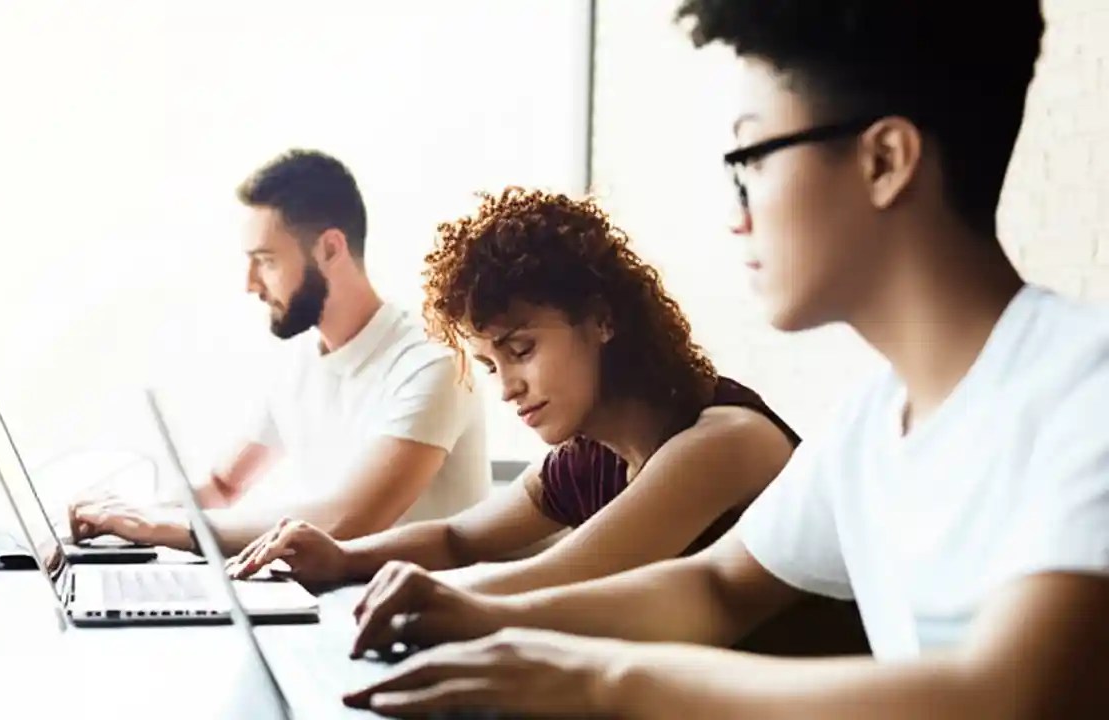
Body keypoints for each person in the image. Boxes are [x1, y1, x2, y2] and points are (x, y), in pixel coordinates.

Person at [341, 2, 1109, 718]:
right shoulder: (872, 427)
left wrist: (597, 675)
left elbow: (1002, 695)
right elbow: (715, 585)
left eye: (751, 160)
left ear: (884, 160)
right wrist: (485, 615)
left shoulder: (1086, 389)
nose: (736, 217)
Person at [228, 187, 864, 654]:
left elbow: (566, 574)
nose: (507, 387)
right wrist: (341, 558)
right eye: (488, 362)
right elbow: (459, 538)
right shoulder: (591, 455)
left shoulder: (724, 440)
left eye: (522, 349)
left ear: (602, 319)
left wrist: (440, 598)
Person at [69, 149, 490, 555]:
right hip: (342, 605)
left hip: (423, 622)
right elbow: (223, 487)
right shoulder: (301, 364)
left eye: (266, 261)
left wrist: (166, 528)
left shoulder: (431, 365)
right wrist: (122, 520)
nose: (251, 284)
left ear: (330, 248)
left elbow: (348, 522)